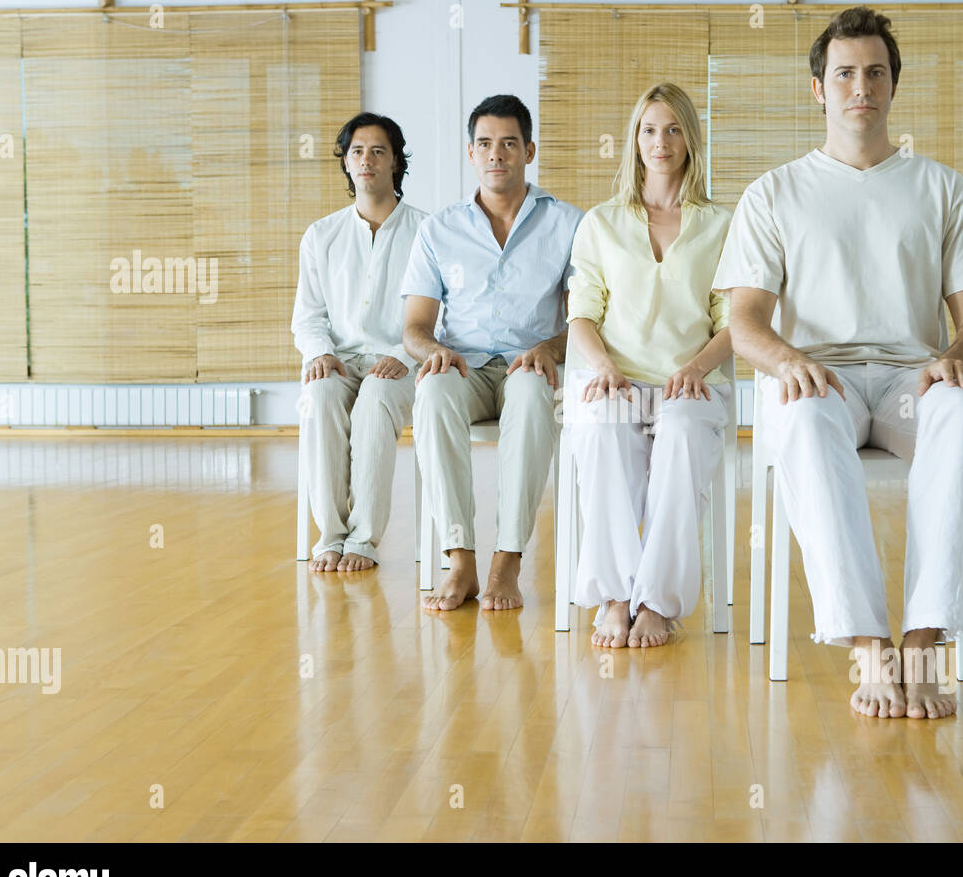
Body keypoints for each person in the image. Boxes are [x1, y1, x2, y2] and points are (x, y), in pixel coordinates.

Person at [717, 6, 963, 719]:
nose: (860, 87)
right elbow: (744, 320)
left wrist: (955, 358)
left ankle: (923, 639)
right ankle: (870, 646)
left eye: (875, 72)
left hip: (914, 376)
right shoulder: (774, 193)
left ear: (892, 86)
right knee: (806, 420)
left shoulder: (943, 188)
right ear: (819, 88)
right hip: (824, 378)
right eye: (844, 73)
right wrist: (788, 361)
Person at [565, 83, 732, 649]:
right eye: (649, 129)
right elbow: (582, 315)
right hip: (617, 376)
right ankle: (616, 596)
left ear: (690, 138)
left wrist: (698, 369)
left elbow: (733, 320)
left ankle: (657, 601)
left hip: (693, 383)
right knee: (604, 431)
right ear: (635, 140)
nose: (661, 141)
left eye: (673, 129)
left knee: (683, 437)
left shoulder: (720, 224)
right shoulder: (601, 223)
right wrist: (604, 367)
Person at [400, 94, 582, 611]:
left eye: (508, 143)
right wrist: (433, 350)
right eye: (484, 144)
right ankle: (460, 559)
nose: (496, 154)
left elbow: (588, 318)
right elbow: (414, 326)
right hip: (465, 368)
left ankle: (507, 560)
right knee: (432, 390)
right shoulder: (438, 230)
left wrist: (550, 347)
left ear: (529, 150)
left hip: (532, 364)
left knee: (529, 389)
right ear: (470, 152)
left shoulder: (568, 224)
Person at [292, 112, 427, 573]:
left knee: (375, 398)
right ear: (346, 164)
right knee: (320, 393)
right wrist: (319, 353)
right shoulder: (321, 235)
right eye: (356, 151)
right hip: (340, 359)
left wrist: (403, 354)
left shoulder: (427, 233)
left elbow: (442, 316)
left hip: (400, 363)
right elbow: (308, 317)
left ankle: (363, 541)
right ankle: (331, 536)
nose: (366, 160)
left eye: (378, 151)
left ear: (395, 163)